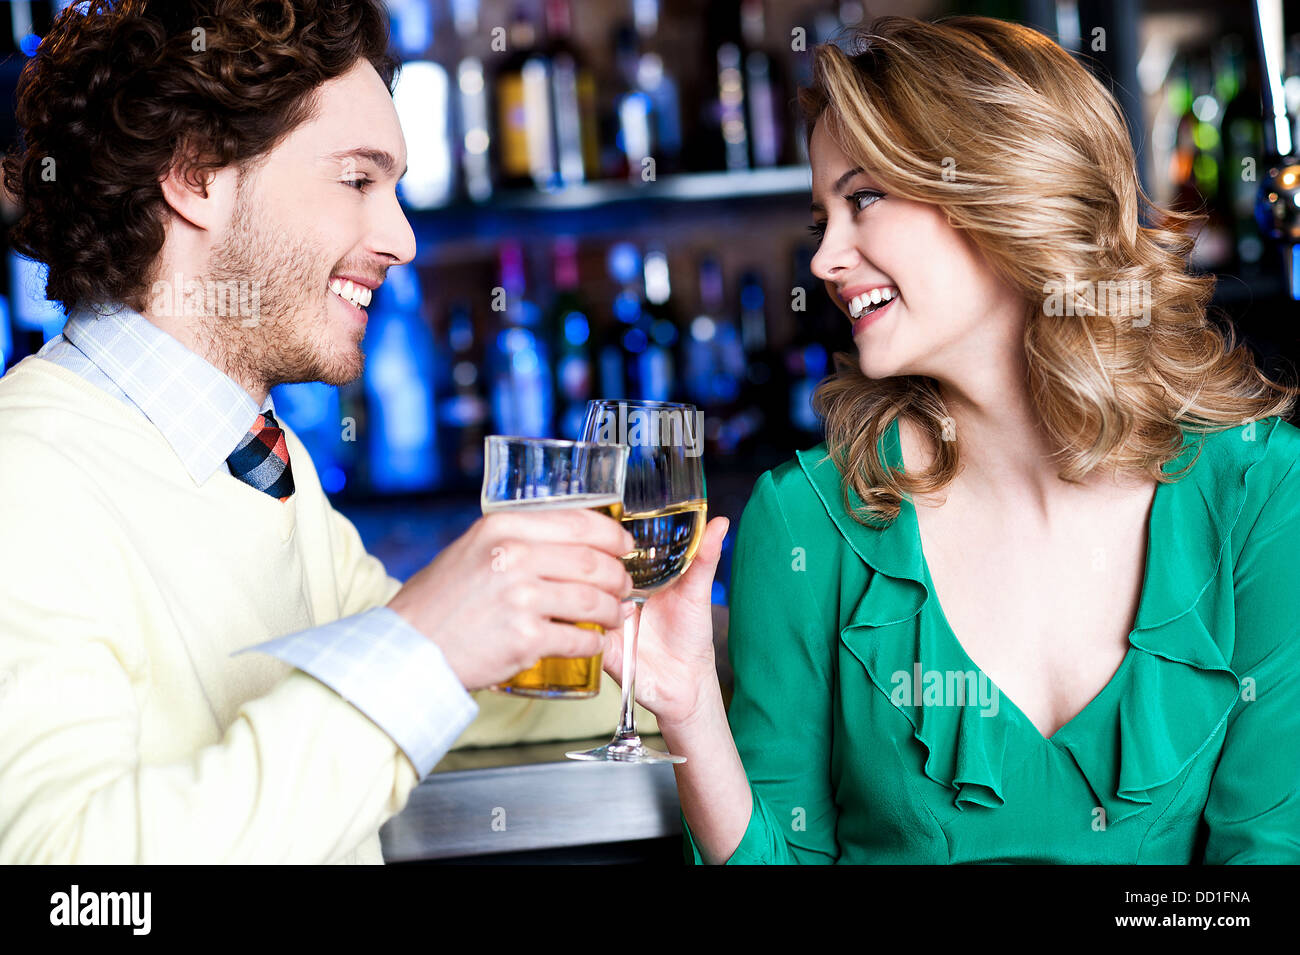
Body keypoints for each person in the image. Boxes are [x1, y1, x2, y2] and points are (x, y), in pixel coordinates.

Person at [625, 15, 1300, 863]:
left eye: (864, 197)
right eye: (820, 219)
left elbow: (1269, 854)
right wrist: (688, 706)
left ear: (1001, 189)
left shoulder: (1256, 491)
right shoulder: (806, 522)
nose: (826, 258)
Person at [0, 0, 650, 864]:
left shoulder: (261, 459)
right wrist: (422, 643)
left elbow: (456, 684)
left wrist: (656, 656)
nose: (403, 239)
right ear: (195, 175)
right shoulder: (28, 478)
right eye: (356, 180)